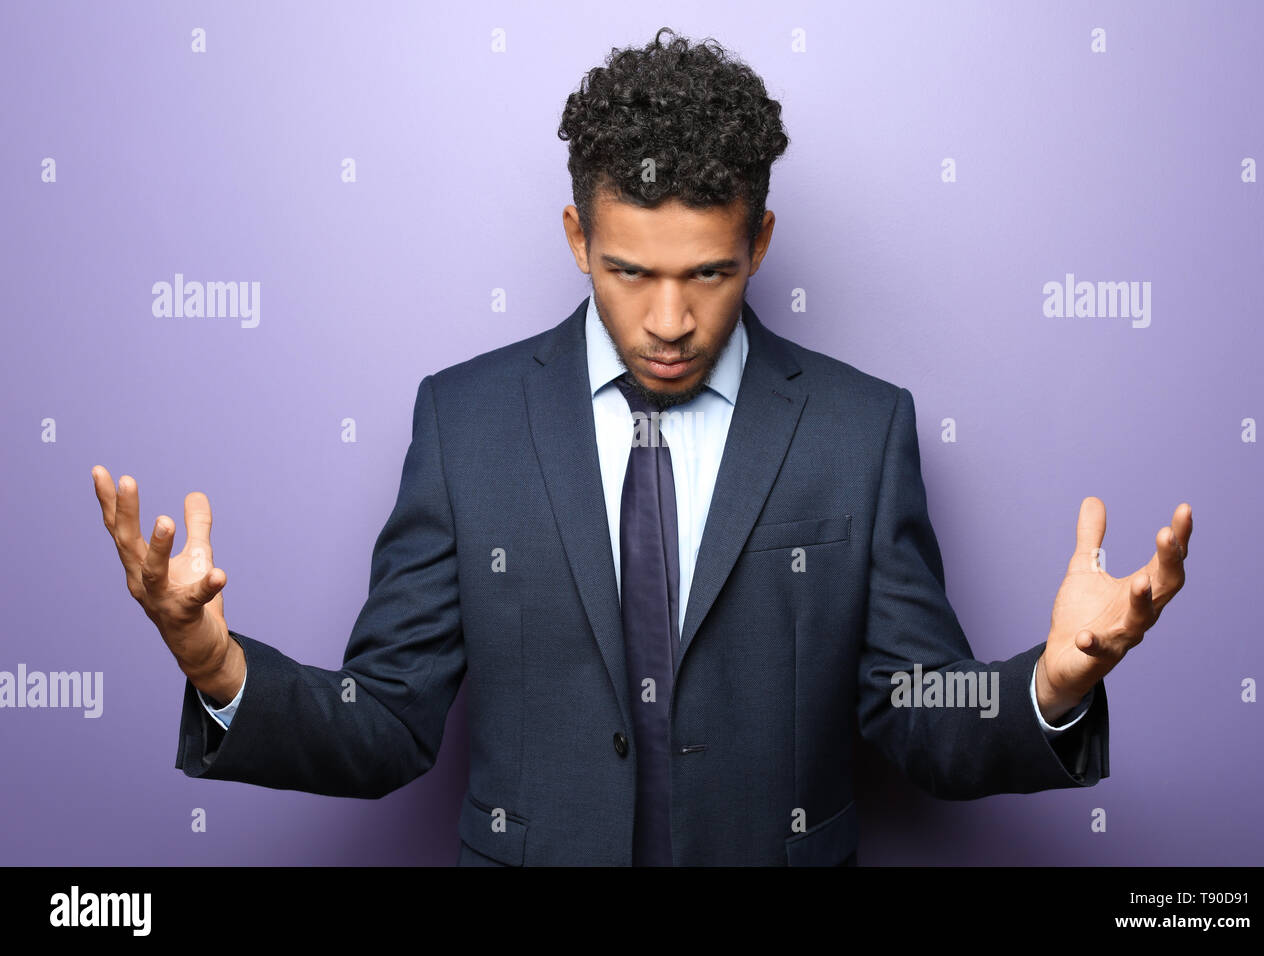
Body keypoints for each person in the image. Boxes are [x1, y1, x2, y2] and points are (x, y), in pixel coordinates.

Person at [91, 28, 1191, 866]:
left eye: (707, 272)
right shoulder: (464, 421)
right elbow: (382, 721)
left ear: (759, 240)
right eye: (630, 271)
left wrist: (1045, 684)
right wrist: (215, 668)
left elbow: (915, 707)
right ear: (576, 237)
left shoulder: (861, 429)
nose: (669, 319)